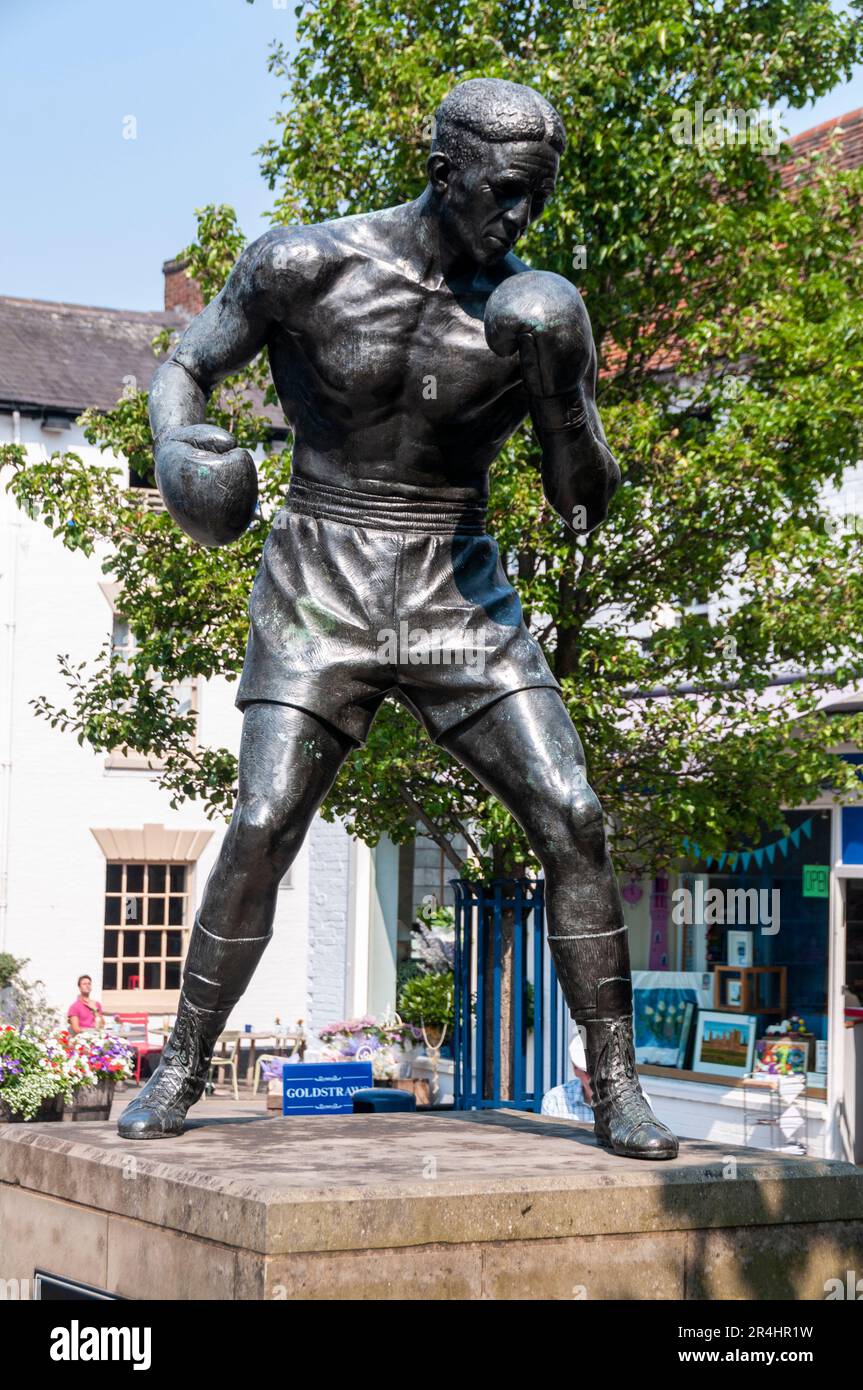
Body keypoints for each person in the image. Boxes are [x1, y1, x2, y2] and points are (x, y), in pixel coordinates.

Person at [119, 77, 678, 1160]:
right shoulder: (303, 264)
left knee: (572, 812)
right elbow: (186, 366)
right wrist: (180, 449)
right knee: (263, 821)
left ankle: (617, 1088)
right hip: (321, 568)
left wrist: (560, 387)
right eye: (504, 194)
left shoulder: (532, 309)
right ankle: (183, 1062)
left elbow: (580, 502)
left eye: (537, 200)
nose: (519, 221)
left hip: (454, 578)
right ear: (445, 171)